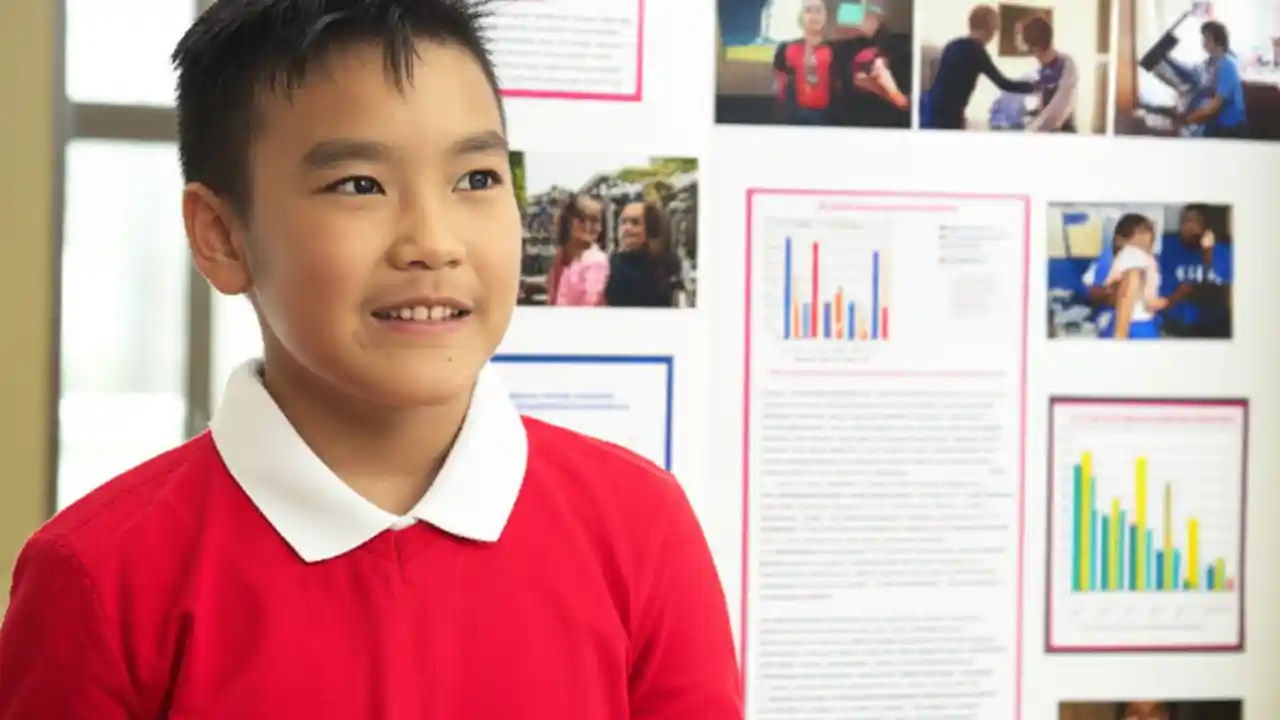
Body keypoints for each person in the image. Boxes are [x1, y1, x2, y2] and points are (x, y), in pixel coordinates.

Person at [0, 1, 744, 718]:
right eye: (360, 185)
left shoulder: (639, 531)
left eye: (475, 180)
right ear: (222, 236)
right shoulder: (101, 575)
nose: (432, 240)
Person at [925, 5, 1036, 130]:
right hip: (948, 116)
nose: (993, 35)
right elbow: (1003, 83)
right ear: (989, 28)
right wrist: (1034, 86)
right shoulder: (976, 51)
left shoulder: (952, 45)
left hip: (931, 107)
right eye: (994, 30)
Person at [1157, 203, 1233, 337]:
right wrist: (1180, 293)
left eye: (1195, 222)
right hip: (1175, 324)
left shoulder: (1223, 250)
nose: (1189, 227)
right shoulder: (1167, 247)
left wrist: (1208, 253)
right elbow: (1161, 298)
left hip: (1216, 325)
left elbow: (1229, 289)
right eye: (1185, 221)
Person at [1105, 213, 1176, 339]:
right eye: (1143, 232)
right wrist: (1169, 300)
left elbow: (1110, 289)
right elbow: (1133, 284)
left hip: (1121, 319)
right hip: (1138, 323)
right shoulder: (1135, 255)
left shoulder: (1123, 256)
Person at [1179, 21, 1249, 138]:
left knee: (1187, 135)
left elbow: (1213, 107)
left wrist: (1188, 119)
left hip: (1229, 128)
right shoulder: (1210, 63)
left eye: (1207, 38)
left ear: (1218, 41)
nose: (1203, 42)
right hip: (1214, 123)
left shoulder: (1228, 65)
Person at [605, 201, 682, 307]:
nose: (626, 228)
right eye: (623, 222)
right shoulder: (612, 261)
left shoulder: (665, 265)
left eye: (635, 222)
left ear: (652, 229)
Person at [773, 0, 833, 124]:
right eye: (808, 11)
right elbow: (780, 86)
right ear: (801, 16)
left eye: (818, 11)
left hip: (828, 119)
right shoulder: (786, 48)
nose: (814, 16)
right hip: (793, 118)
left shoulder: (836, 50)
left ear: (826, 16)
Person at [546, 192, 610, 306]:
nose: (587, 226)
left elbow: (589, 305)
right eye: (581, 219)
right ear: (568, 222)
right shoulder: (561, 257)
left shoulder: (597, 261)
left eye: (594, 221)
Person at [1022, 15, 1078, 132]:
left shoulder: (1066, 64)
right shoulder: (1039, 71)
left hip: (1063, 133)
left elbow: (1059, 106)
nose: (1035, 55)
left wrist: (1034, 128)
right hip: (1043, 134)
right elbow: (1037, 105)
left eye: (1034, 50)